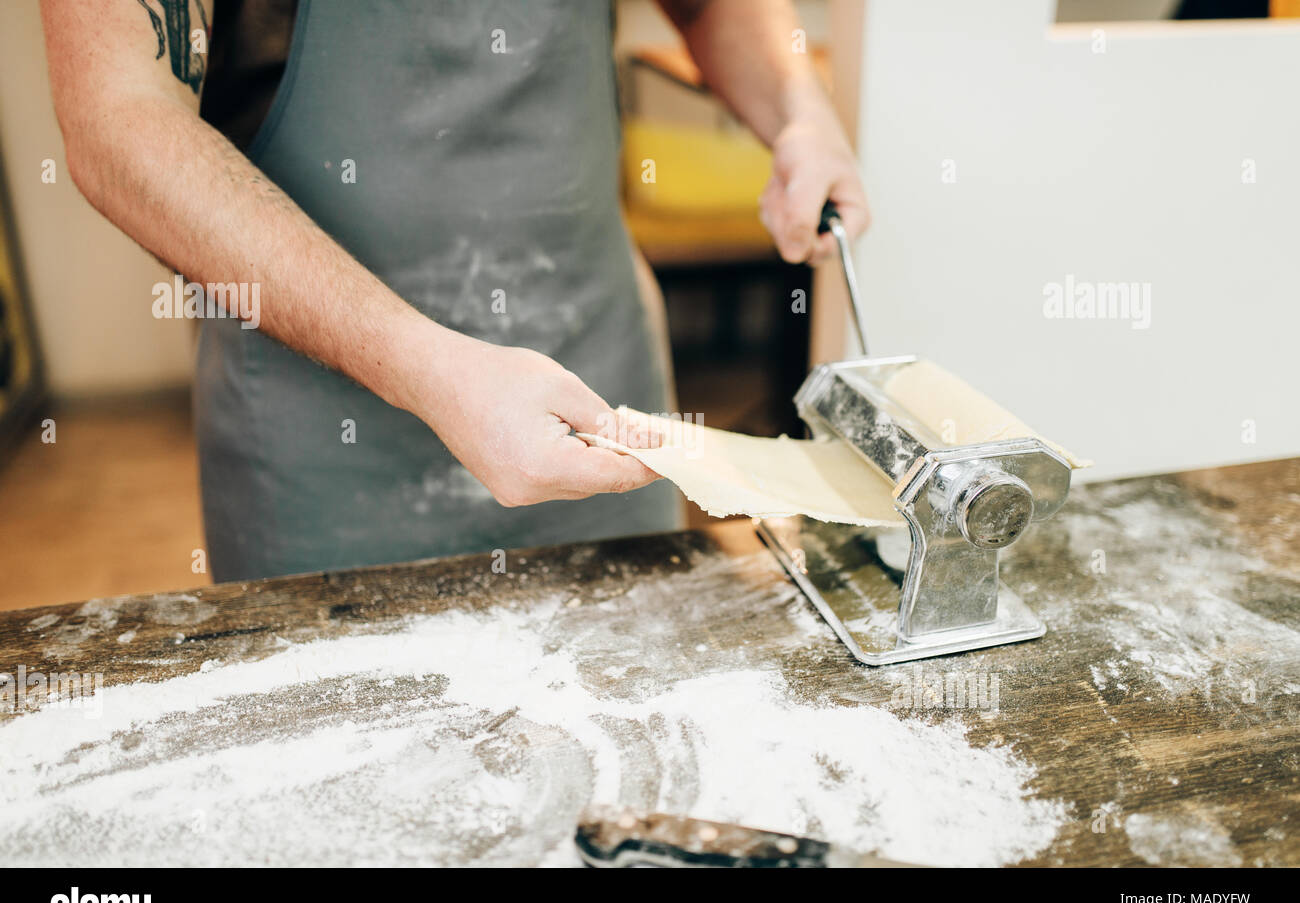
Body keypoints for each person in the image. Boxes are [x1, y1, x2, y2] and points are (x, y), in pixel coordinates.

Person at [41, 0, 868, 580]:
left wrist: (796, 107)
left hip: (602, 408)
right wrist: (428, 369)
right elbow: (118, 113)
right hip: (321, 465)